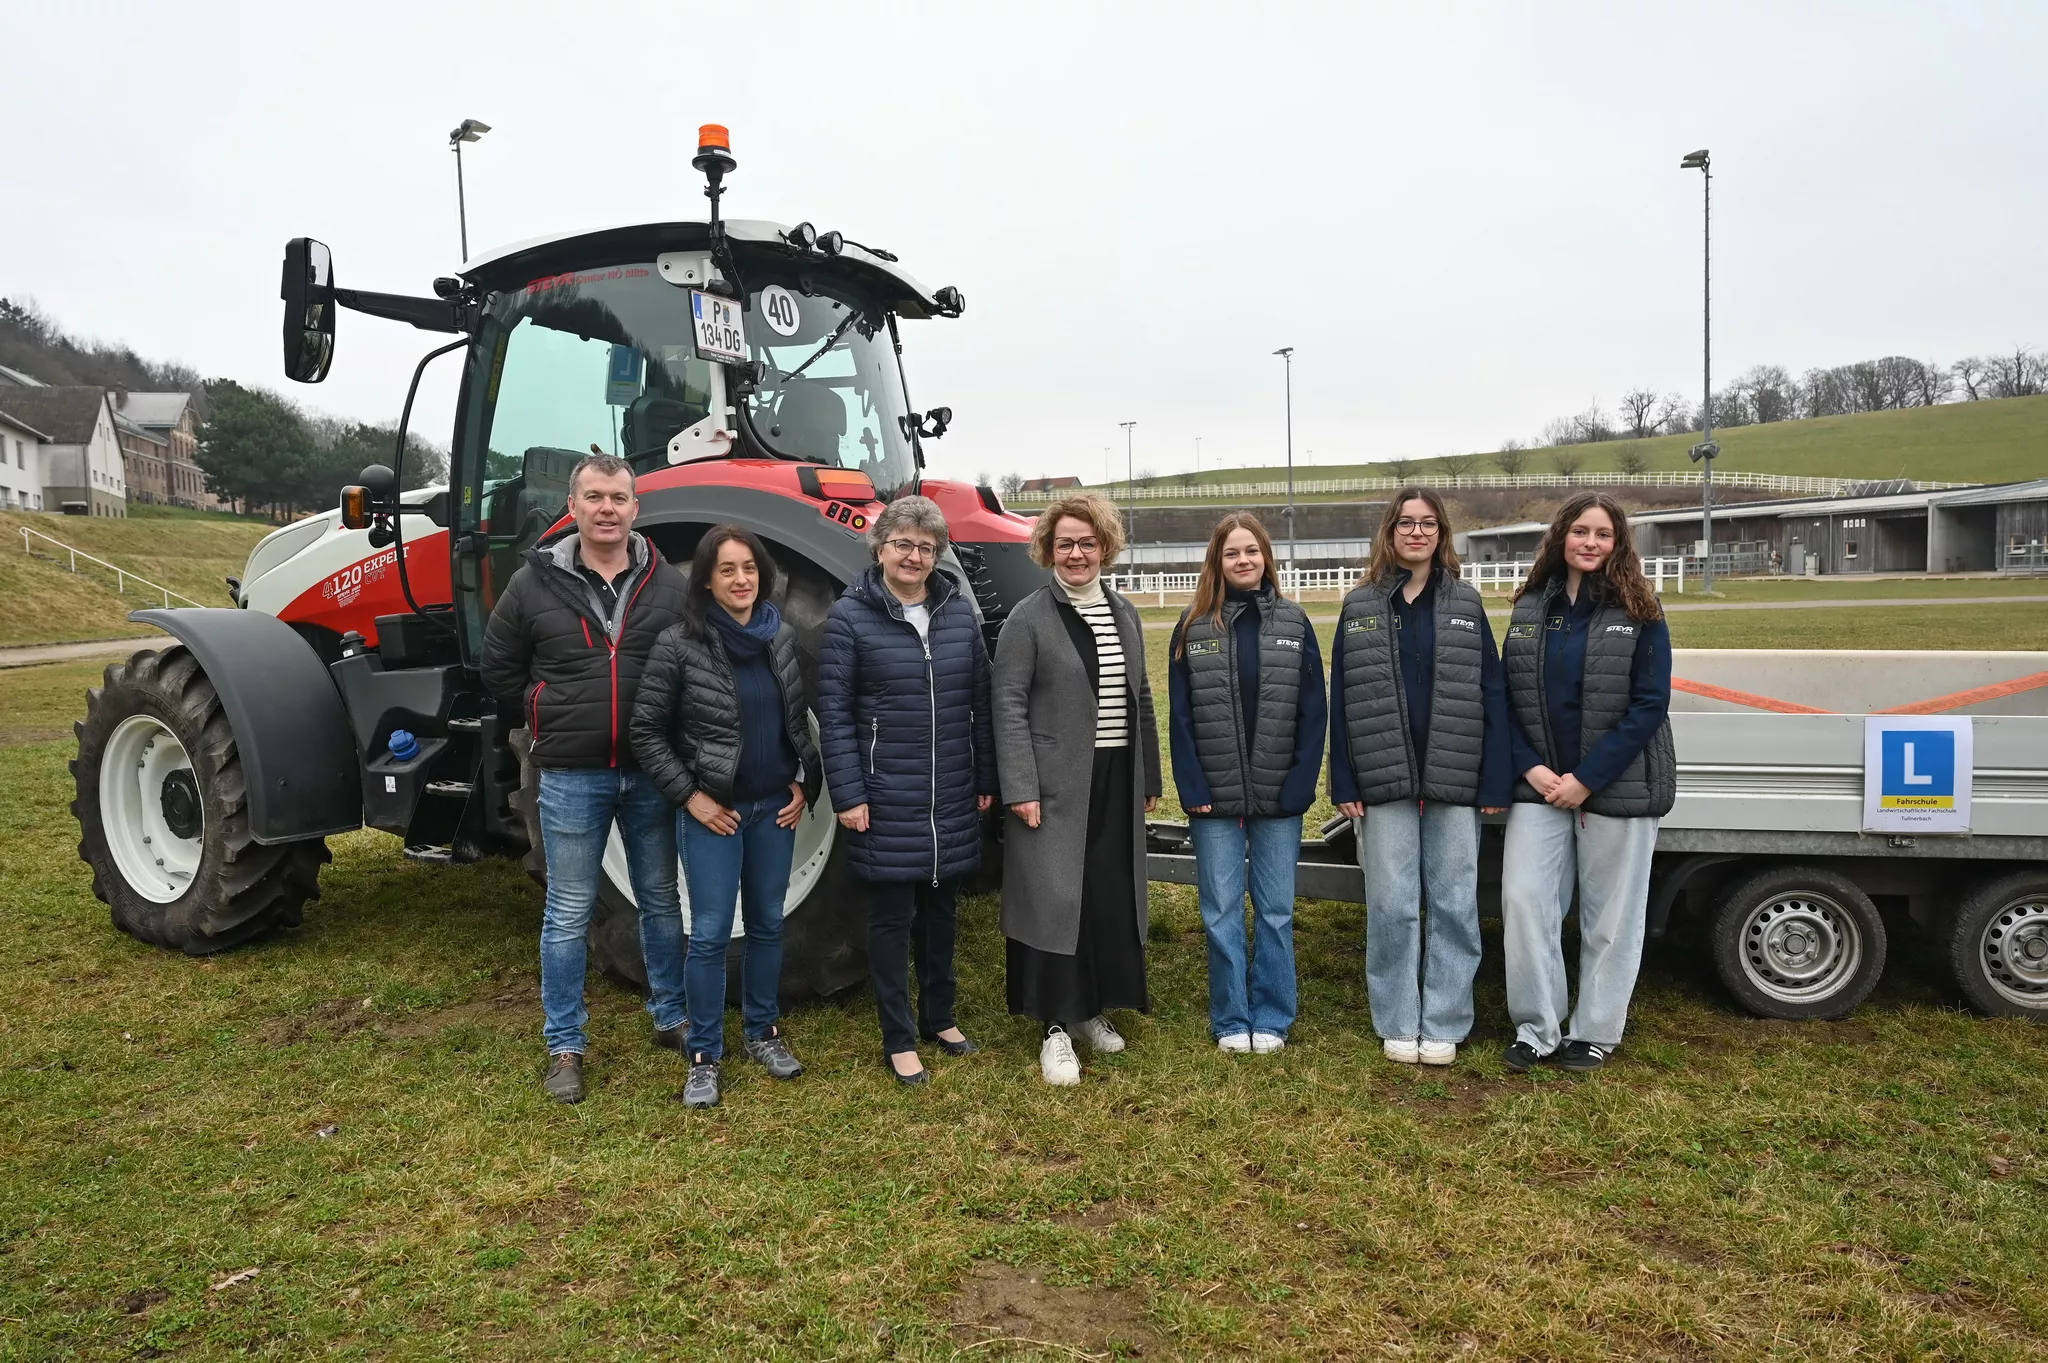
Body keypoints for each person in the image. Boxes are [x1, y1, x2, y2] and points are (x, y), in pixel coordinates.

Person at [480, 453, 689, 1105]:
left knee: (658, 896)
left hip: (648, 770)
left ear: (635, 508)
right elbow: (499, 665)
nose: (607, 508)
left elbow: (689, 660)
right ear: (572, 506)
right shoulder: (534, 581)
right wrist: (547, 716)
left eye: (618, 497)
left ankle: (671, 1014)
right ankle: (565, 1043)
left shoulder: (667, 582)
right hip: (570, 773)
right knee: (568, 910)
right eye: (594, 496)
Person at [629, 525, 820, 1109]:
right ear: (707, 580)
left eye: (749, 569)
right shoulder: (678, 644)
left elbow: (795, 723)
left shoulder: (779, 637)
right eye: (727, 570)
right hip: (717, 813)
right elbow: (646, 732)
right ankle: (704, 1055)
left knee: (766, 924)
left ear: (761, 575)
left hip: (772, 812)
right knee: (710, 933)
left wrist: (803, 782)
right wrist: (691, 797)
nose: (740, 580)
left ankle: (762, 1032)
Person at [817, 496, 998, 1087]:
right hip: (885, 792)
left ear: (937, 553)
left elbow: (980, 704)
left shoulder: (955, 614)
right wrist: (848, 794)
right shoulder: (851, 617)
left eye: (925, 546)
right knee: (892, 917)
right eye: (903, 544)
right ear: (881, 548)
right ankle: (898, 1037)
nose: (914, 556)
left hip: (949, 790)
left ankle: (939, 1018)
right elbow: (836, 715)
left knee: (941, 912)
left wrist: (986, 779)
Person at [1330, 490, 1510, 1067]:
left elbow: (1492, 694)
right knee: (1392, 905)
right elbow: (1345, 700)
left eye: (1427, 523)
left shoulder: (1466, 603)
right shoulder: (1359, 606)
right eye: (1406, 522)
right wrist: (1345, 780)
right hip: (1384, 779)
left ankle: (1446, 1021)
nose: (1416, 532)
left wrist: (1492, 780)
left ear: (1441, 533)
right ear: (1390, 531)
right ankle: (1397, 1019)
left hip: (1455, 776)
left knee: (1456, 903)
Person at [1499, 491, 1675, 1074]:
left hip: (1616, 788)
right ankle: (1537, 1027)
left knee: (1611, 917)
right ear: (1562, 537)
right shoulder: (1528, 609)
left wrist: (1587, 779)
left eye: (1602, 534)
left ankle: (1595, 1030)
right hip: (1541, 787)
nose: (1590, 543)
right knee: (1525, 902)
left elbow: (1649, 706)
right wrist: (1531, 767)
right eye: (1580, 531)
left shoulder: (1641, 609)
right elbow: (1503, 700)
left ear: (1618, 542)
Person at [992, 492, 1161, 1086]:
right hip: (1054, 786)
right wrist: (1020, 786)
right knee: (1055, 901)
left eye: (1087, 542)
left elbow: (1139, 697)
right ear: (1048, 549)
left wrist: (1149, 778)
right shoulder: (1029, 618)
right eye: (1064, 543)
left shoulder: (1126, 613)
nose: (1076, 553)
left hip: (1115, 777)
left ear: (1104, 547)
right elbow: (1007, 704)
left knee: (1105, 894)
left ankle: (1090, 1009)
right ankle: (1054, 1028)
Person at [1167, 513, 1325, 1054]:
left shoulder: (1294, 621)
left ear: (1266, 557)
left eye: (1252, 551)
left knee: (1277, 910)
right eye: (1233, 552)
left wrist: (1301, 784)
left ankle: (1274, 1015)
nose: (1243, 561)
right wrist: (1193, 789)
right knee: (1221, 910)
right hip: (1213, 796)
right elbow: (1181, 719)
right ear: (1218, 560)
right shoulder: (1192, 626)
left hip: (1281, 794)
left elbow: (1313, 711)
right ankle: (1232, 1017)